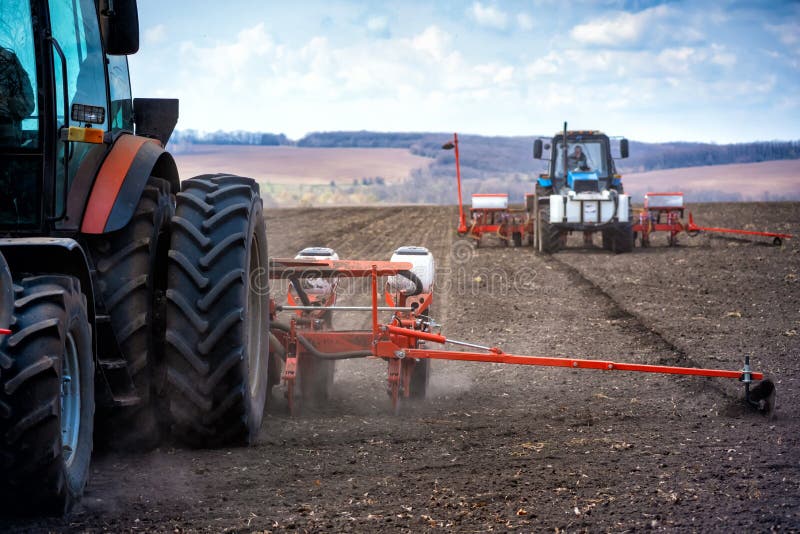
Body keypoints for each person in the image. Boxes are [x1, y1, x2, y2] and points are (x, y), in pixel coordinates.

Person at [0, 47, 34, 144]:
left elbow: (27, 105)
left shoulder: (8, 61)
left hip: (5, 137)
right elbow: (27, 105)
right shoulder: (9, 60)